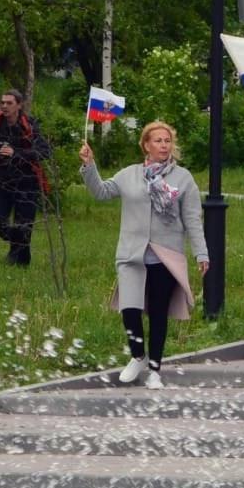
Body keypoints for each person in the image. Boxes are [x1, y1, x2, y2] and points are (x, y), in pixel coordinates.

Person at [78, 122, 207, 390]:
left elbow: (193, 219)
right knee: (130, 309)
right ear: (146, 145)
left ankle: (155, 370)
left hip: (165, 254)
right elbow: (101, 191)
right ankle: (138, 355)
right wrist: (89, 166)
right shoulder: (129, 175)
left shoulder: (183, 178)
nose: (163, 145)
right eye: (158, 141)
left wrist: (201, 253)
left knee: (158, 313)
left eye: (167, 141)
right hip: (131, 254)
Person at [0, 89, 51, 266]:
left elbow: (44, 151)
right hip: (3, 181)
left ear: (19, 105)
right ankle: (16, 246)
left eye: (9, 103)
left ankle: (20, 262)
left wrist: (15, 153)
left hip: (28, 182)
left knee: (24, 224)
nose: (4, 106)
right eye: (2, 103)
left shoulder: (30, 125)